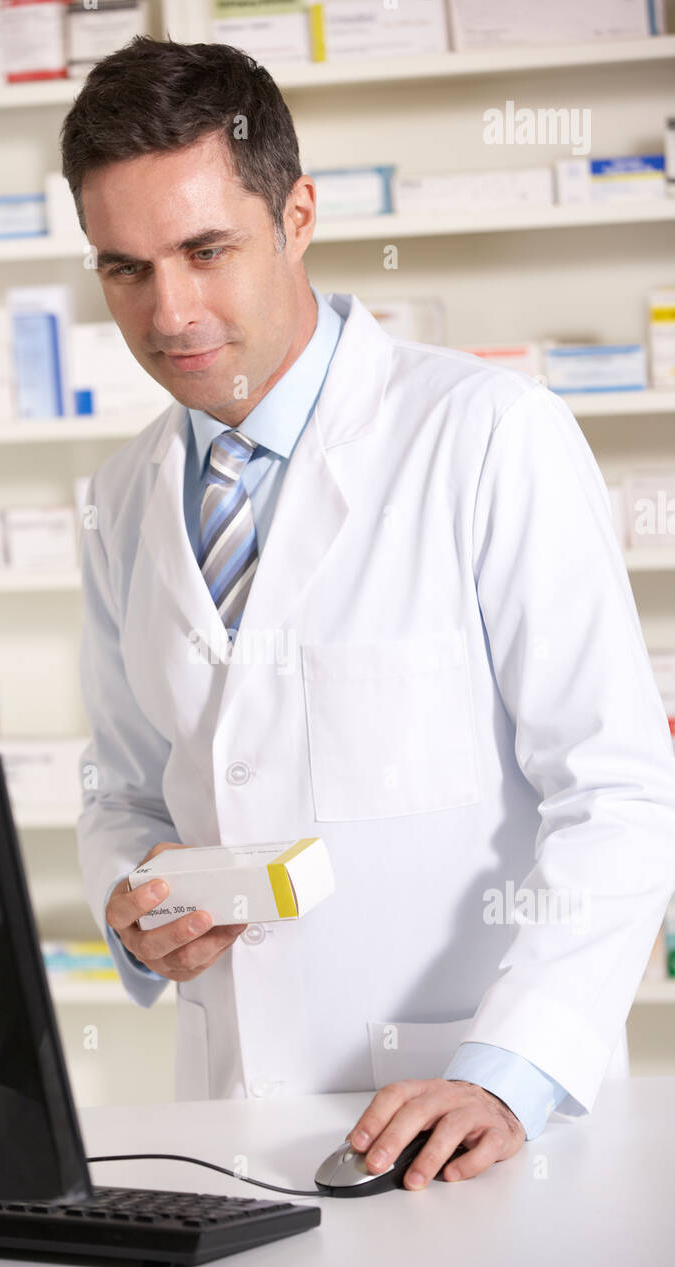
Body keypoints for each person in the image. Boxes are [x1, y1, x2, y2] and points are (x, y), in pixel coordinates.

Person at [63, 37, 675, 1191]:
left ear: (295, 214)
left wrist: (509, 1068)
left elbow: (621, 790)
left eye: (205, 250)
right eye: (124, 269)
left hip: (471, 1136)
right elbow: (124, 786)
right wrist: (132, 901)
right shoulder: (122, 497)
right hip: (227, 1131)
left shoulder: (487, 434)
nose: (170, 311)